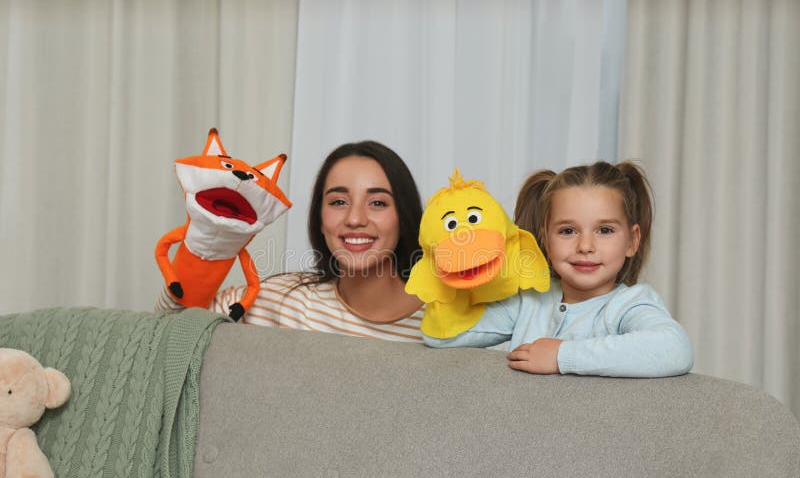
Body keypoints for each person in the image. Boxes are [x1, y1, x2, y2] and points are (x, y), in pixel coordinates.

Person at [422, 160, 694, 377]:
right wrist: (456, 264)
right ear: (545, 240)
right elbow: (441, 336)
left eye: (605, 230)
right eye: (567, 231)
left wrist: (562, 355)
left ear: (632, 241)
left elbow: (675, 349)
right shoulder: (528, 300)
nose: (585, 245)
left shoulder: (629, 305)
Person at [156, 140, 426, 342]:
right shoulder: (282, 302)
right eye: (338, 202)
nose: (355, 218)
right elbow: (167, 334)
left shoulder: (446, 324)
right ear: (320, 220)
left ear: (403, 215)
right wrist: (206, 238)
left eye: (378, 203)